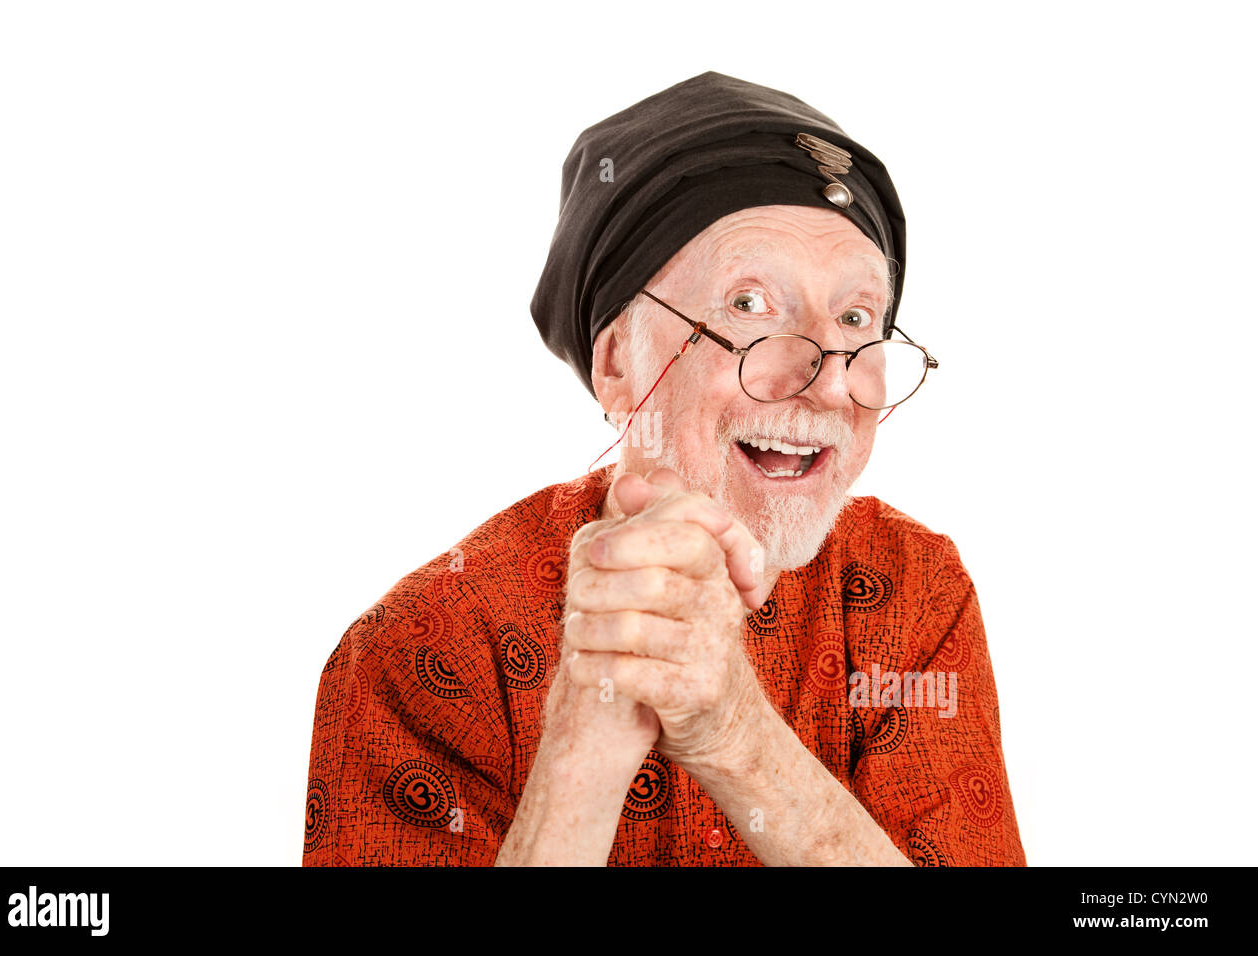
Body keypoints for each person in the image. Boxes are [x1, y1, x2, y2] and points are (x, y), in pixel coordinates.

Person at [302, 71, 1025, 866]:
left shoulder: (913, 591)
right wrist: (584, 749)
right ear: (617, 362)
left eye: (856, 318)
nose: (827, 379)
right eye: (751, 305)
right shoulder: (416, 647)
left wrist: (731, 731)